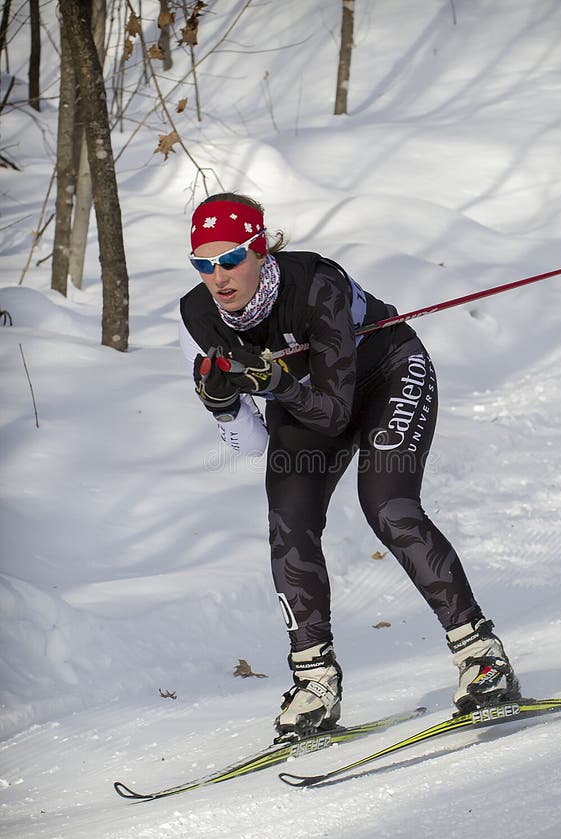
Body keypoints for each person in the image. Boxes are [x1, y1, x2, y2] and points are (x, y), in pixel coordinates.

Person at [179, 192, 520, 737]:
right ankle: (315, 682)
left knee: (387, 505)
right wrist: (221, 402)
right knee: (288, 519)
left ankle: (481, 656)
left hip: (387, 373)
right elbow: (249, 444)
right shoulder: (197, 317)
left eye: (231, 258)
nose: (217, 276)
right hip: (302, 398)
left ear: (260, 249)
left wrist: (276, 383)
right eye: (203, 263)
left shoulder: (317, 287)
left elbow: (336, 412)